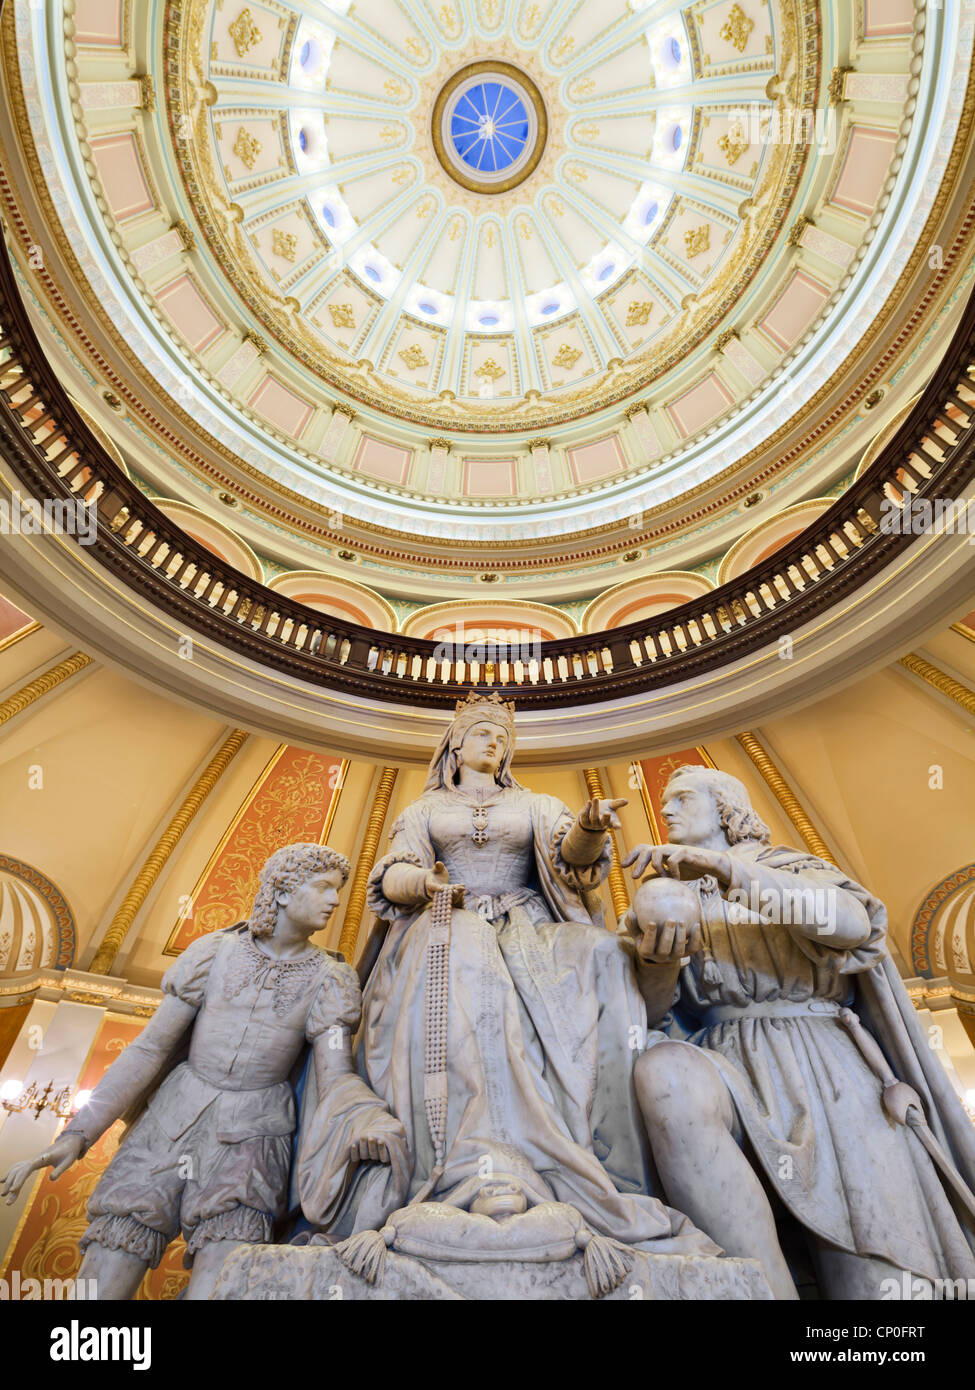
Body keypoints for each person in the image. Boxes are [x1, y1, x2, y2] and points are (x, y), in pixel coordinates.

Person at [297, 691, 716, 1261]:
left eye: (502, 737)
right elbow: (393, 875)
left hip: (531, 928)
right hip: (447, 924)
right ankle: (480, 1155)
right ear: (457, 744)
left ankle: (604, 1159)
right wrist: (428, 886)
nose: (494, 743)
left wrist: (590, 828)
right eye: (482, 734)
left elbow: (572, 863)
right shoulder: (422, 812)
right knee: (471, 948)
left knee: (605, 954)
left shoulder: (537, 804)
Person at [622, 766, 975, 1299]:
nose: (665, 810)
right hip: (722, 1061)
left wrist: (727, 871)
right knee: (663, 1070)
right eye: (664, 802)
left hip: (820, 1060)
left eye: (682, 798)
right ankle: (758, 1286)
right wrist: (658, 961)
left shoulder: (789, 867)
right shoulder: (661, 897)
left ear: (725, 808)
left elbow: (852, 927)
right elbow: (647, 1017)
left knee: (875, 1288)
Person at [1, 843, 407, 1299]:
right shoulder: (213, 953)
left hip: (254, 1138)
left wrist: (367, 1117)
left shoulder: (331, 979)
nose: (335, 901)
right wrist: (76, 1135)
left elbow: (334, 1074)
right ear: (282, 891)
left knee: (224, 1280)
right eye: (324, 888)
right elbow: (149, 1048)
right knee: (109, 1264)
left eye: (338, 891)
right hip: (170, 1119)